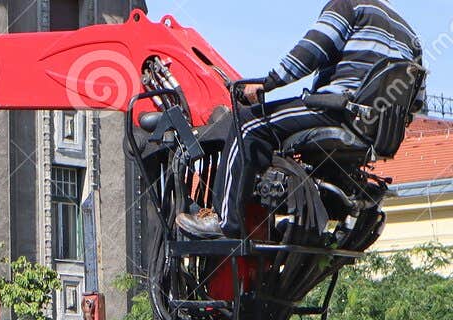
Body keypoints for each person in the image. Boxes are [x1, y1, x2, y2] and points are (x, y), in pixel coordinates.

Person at [177, 0, 422, 239]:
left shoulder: (349, 5)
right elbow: (417, 100)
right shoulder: (409, 34)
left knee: (246, 124)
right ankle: (308, 222)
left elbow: (311, 51)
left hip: (338, 111)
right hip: (376, 132)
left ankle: (223, 220)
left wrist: (268, 83)